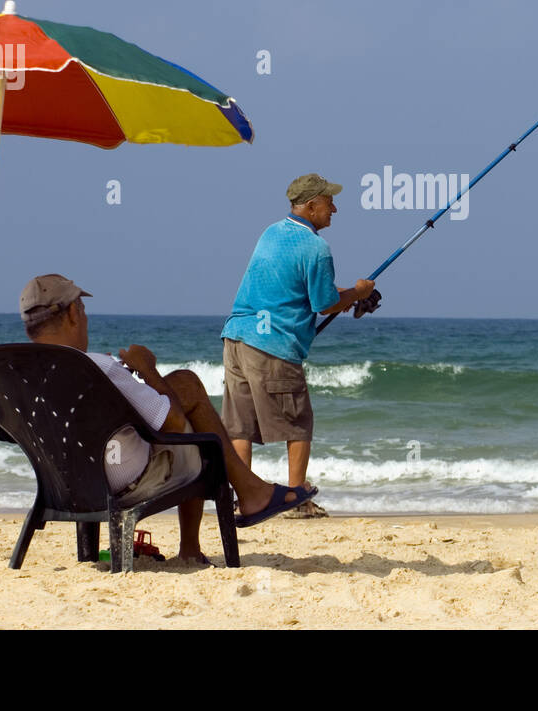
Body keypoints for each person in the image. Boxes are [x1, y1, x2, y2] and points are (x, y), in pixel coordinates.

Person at [19, 274, 316, 563]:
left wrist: (118, 383)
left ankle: (250, 492)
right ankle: (229, 512)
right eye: (83, 311)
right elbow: (171, 422)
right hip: (126, 483)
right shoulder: (98, 367)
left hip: (62, 485)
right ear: (74, 312)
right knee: (189, 412)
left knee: (181, 389)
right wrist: (146, 370)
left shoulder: (25, 375)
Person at [220, 174, 376, 518]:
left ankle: (242, 499)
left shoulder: (270, 232)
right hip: (271, 343)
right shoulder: (316, 247)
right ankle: (297, 500)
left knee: (240, 426)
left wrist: (343, 298)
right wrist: (359, 292)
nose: (334, 208)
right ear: (311, 206)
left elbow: (294, 291)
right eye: (328, 202)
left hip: (235, 336)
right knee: (299, 422)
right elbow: (324, 302)